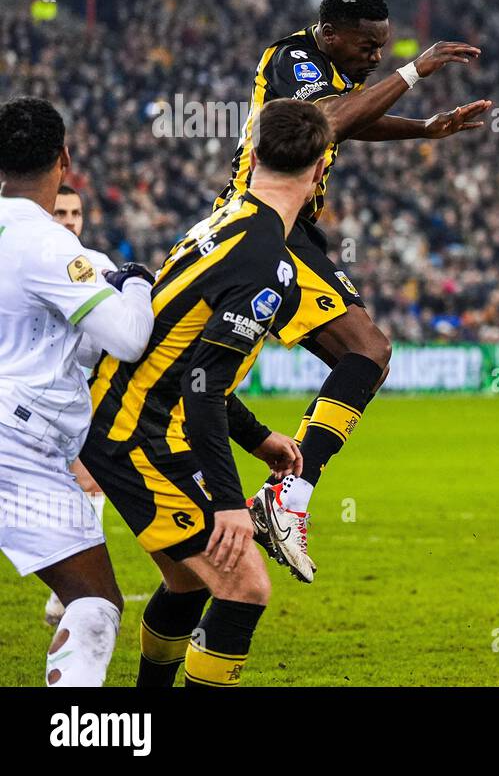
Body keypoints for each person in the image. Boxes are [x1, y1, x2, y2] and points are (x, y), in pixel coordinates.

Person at [212, 0, 492, 579]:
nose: (375, 57)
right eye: (367, 46)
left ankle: (285, 491)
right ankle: (284, 493)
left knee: (365, 353)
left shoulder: (333, 68)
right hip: (260, 220)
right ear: (331, 33)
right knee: (363, 350)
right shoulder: (290, 58)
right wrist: (417, 70)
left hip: (290, 226)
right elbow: (330, 120)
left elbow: (349, 117)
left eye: (383, 48)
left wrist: (425, 128)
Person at [81, 99, 325, 687]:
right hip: (134, 432)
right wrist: (229, 501)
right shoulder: (266, 259)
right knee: (244, 587)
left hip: (123, 413)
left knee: (189, 581)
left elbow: (187, 364)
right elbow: (203, 390)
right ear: (320, 171)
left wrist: (259, 436)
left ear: (254, 155)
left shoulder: (224, 219)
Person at [0, 96, 155, 685]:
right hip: (17, 445)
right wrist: (136, 284)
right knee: (94, 605)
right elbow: (128, 338)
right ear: (65, 158)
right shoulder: (47, 242)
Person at [40, 184, 116, 626]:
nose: (69, 220)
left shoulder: (100, 267)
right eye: (60, 212)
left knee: (88, 485)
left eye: (75, 212)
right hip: (26, 397)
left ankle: (68, 594)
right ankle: (66, 590)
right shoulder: (24, 262)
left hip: (78, 396)